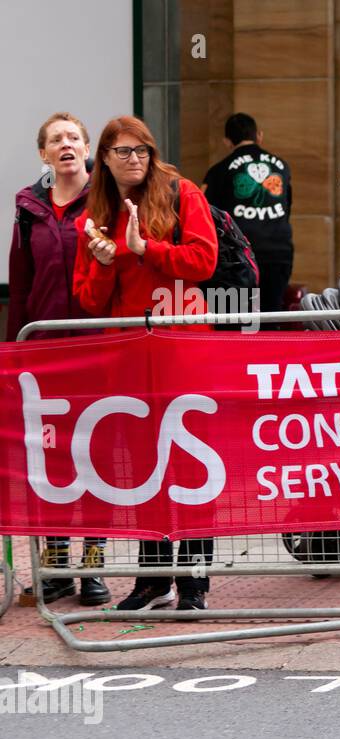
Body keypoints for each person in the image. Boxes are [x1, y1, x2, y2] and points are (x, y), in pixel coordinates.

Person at [74, 116, 219, 611]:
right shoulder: (95, 215)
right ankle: (153, 578)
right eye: (122, 152)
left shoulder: (183, 195)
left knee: (192, 465)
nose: (133, 159)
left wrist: (146, 249)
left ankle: (195, 584)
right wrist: (104, 261)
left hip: (184, 349)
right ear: (106, 160)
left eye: (141, 150)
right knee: (142, 468)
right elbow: (89, 300)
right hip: (130, 355)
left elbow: (204, 261)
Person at [9, 112, 108, 607]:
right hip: (47, 351)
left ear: (87, 147)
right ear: (44, 155)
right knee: (52, 457)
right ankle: (57, 565)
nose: (66, 144)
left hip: (100, 349)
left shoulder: (107, 201)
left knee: (99, 456)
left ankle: (94, 566)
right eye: (56, 140)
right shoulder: (28, 209)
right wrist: (15, 357)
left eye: (74, 137)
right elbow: (21, 286)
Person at [201, 113, 293, 317]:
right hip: (278, 251)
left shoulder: (218, 171)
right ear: (259, 135)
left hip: (239, 259)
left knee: (239, 320)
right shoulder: (282, 166)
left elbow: (204, 216)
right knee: (271, 316)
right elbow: (287, 209)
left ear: (227, 141)